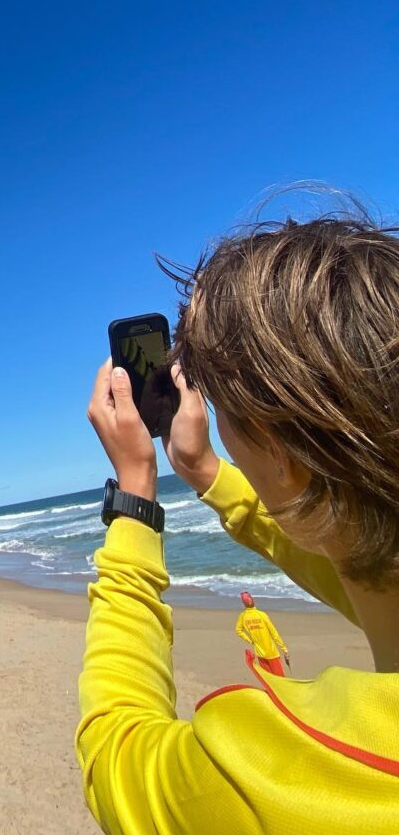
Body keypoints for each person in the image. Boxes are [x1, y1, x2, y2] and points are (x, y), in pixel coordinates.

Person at [81, 213, 399, 834]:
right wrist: (204, 471)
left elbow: (115, 753)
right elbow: (356, 556)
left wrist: (136, 496)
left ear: (284, 461)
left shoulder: (289, 770)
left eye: (218, 399)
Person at [234, 591, 289, 675]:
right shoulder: (262, 615)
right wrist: (284, 648)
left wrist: (250, 640)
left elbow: (238, 630)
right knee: (280, 678)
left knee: (269, 678)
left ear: (244, 604)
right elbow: (274, 633)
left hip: (260, 653)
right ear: (253, 600)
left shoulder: (243, 616)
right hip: (272, 653)